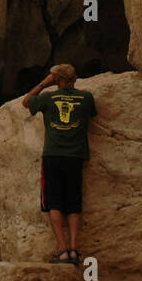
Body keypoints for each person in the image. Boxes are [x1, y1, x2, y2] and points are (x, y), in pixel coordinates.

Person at [22, 63, 96, 265]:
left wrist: (43, 84)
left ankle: (61, 250)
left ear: (56, 80)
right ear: (74, 78)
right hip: (76, 157)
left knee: (54, 202)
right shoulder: (86, 98)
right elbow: (92, 114)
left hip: (53, 156)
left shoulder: (47, 97)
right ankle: (74, 249)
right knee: (73, 203)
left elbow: (26, 101)